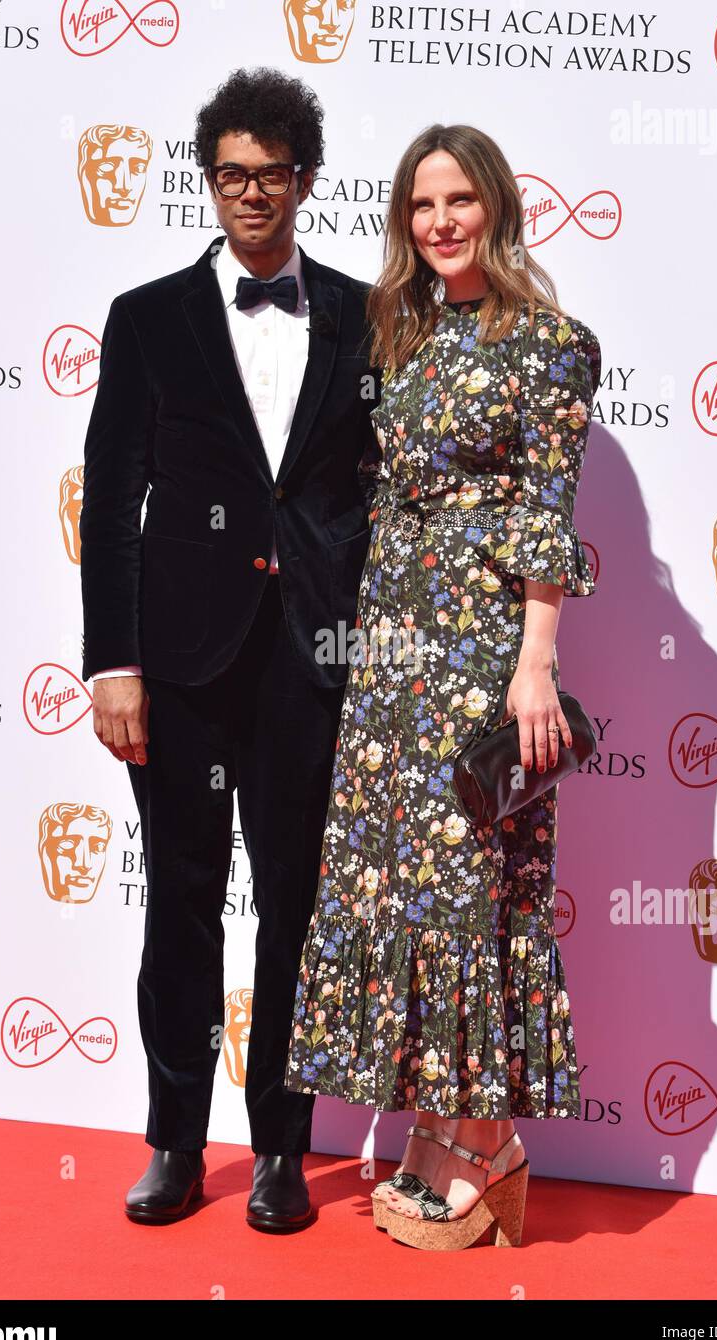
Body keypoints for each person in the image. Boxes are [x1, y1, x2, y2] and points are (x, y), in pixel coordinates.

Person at [284, 123, 602, 1250]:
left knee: (474, 877)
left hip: (480, 646)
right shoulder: (401, 336)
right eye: (422, 205)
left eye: (461, 199)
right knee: (400, 883)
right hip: (392, 647)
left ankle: (487, 1142)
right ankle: (432, 1125)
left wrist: (535, 664)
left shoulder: (550, 343)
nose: (441, 222)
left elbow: (543, 512)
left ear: (498, 207)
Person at [79, 67, 377, 1231]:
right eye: (231, 174)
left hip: (312, 664)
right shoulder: (146, 317)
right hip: (184, 669)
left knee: (294, 906)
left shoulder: (365, 314)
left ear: (304, 179)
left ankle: (281, 1154)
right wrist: (114, 665)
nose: (252, 193)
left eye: (273, 172)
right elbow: (112, 505)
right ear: (209, 180)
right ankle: (171, 1141)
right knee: (181, 909)